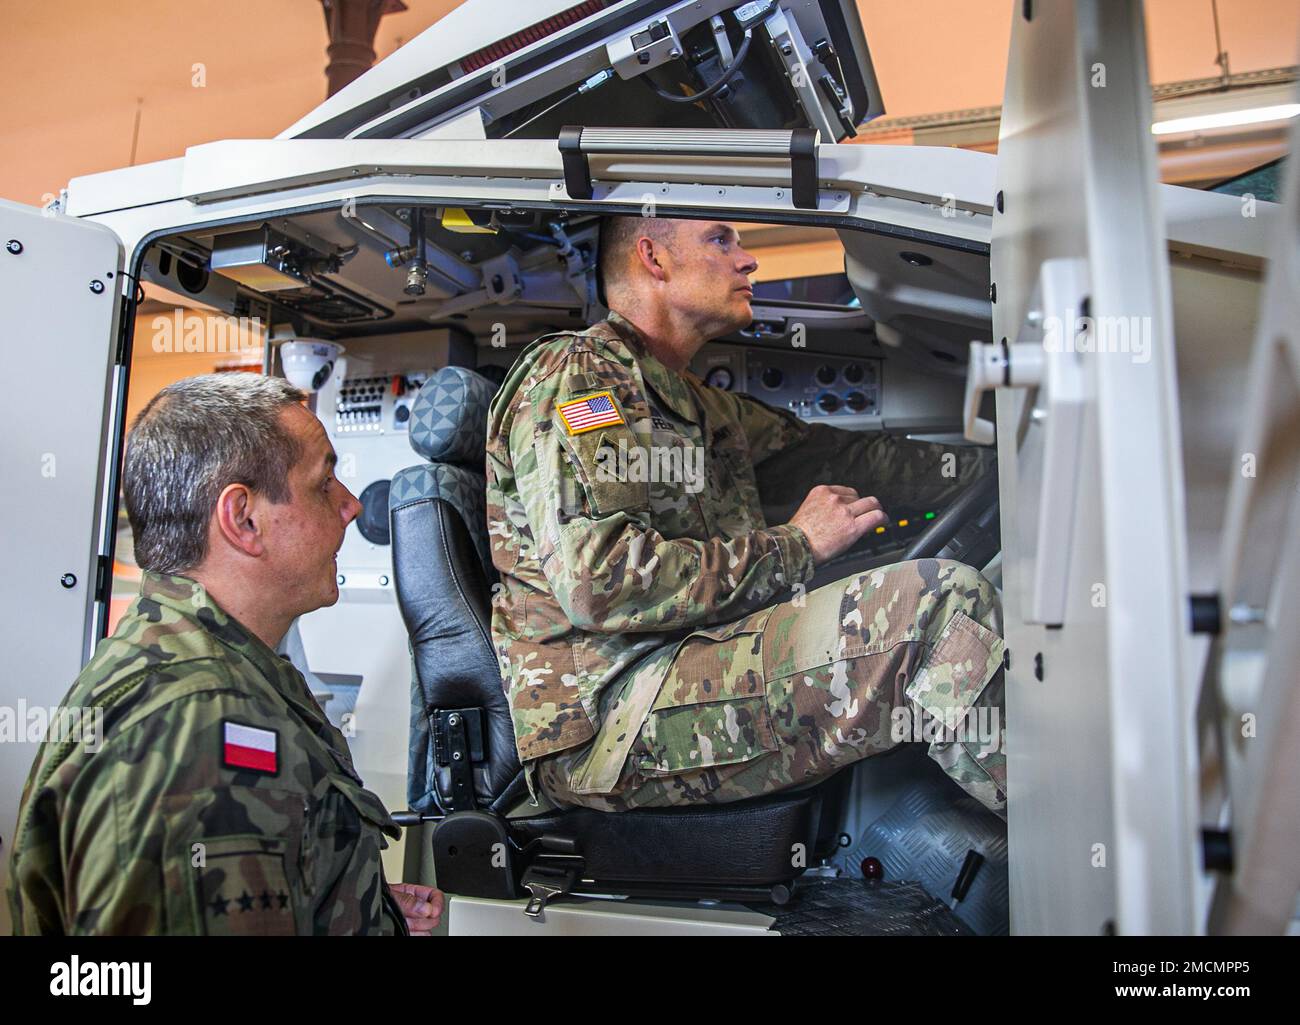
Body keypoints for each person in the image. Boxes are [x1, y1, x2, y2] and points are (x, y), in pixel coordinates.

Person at [485, 216, 1007, 817]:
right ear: (654, 259)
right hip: (611, 714)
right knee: (937, 607)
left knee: (920, 591)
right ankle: (1079, 856)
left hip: (683, 666)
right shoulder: (580, 379)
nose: (748, 260)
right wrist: (798, 544)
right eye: (720, 239)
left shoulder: (693, 403)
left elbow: (841, 459)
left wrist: (999, 468)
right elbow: (601, 583)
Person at [7, 373, 443, 935]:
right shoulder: (199, 722)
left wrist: (354, 905)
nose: (353, 506)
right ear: (243, 519)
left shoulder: (215, 668)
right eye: (323, 482)